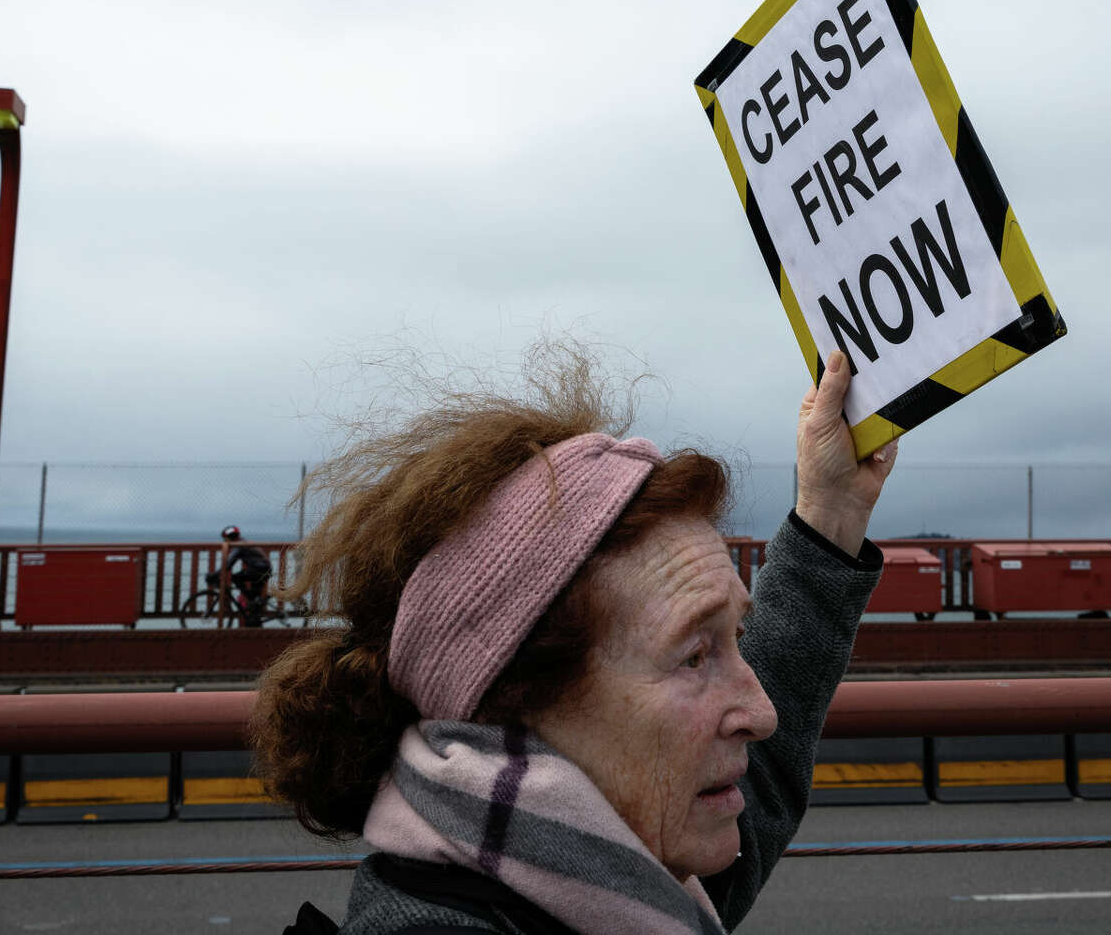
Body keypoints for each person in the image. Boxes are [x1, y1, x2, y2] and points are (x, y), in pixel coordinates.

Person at [255, 346, 896, 934]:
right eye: (695, 656)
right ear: (517, 704)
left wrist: (832, 508)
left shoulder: (607, 881)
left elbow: (760, 787)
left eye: (737, 636)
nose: (762, 714)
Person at [211, 525, 273, 626]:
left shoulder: (239, 546)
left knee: (235, 577)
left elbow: (228, 563)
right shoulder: (243, 542)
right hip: (264, 569)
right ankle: (255, 622)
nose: (225, 542)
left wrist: (215, 574)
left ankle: (251, 601)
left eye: (225, 539)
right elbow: (230, 563)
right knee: (254, 599)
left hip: (259, 570)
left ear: (230, 538)